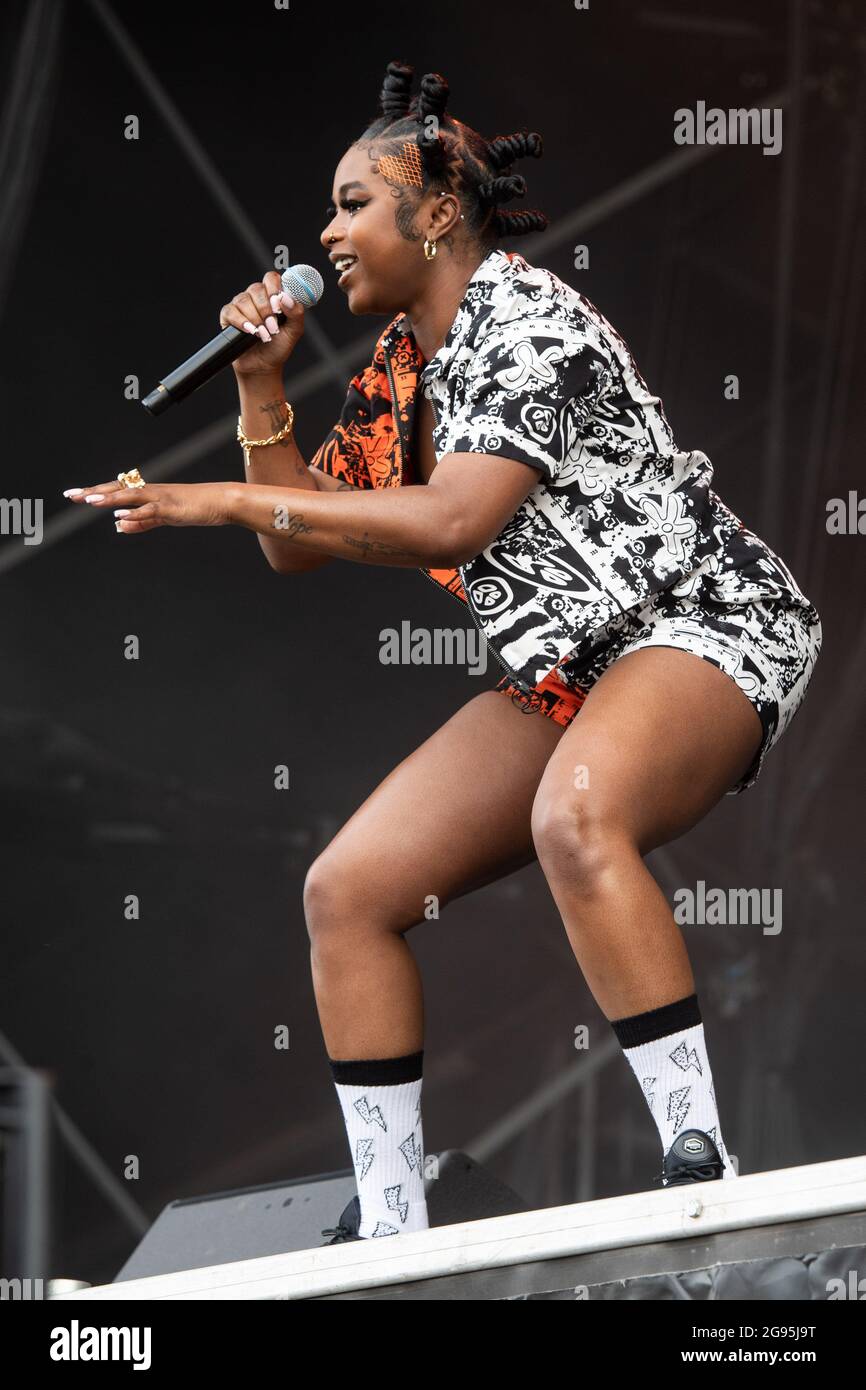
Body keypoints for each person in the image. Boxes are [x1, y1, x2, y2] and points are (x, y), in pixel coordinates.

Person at [64, 60, 822, 1243]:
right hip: (568, 671)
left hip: (703, 619)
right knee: (349, 890)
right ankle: (396, 1226)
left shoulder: (525, 317)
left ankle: (700, 1166)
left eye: (352, 202)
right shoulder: (396, 375)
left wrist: (215, 500)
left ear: (431, 213)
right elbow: (298, 543)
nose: (324, 231)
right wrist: (262, 391)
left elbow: (453, 518)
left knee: (575, 815)